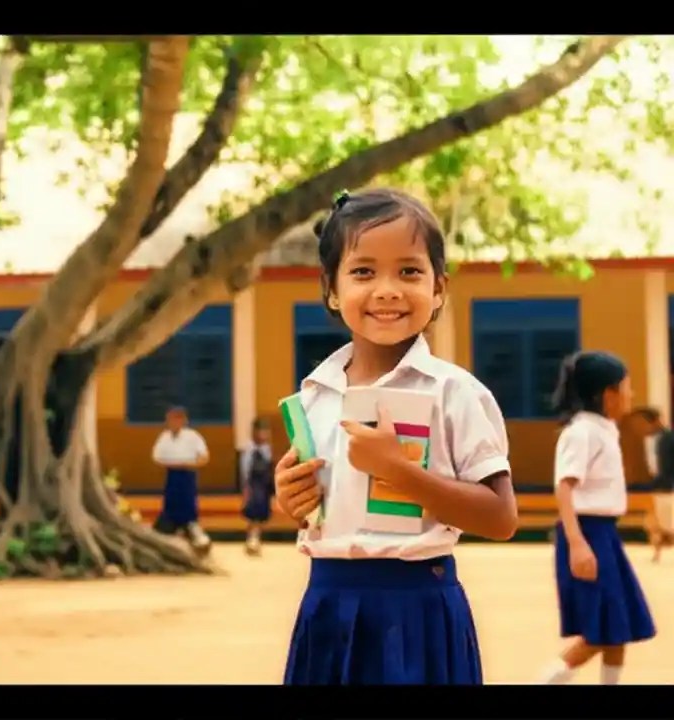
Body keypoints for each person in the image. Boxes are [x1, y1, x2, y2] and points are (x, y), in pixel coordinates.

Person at [273, 188, 518, 685]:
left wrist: (399, 472)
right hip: (328, 606)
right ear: (332, 289)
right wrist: (291, 499)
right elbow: (322, 510)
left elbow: (500, 517)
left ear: (439, 288)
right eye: (363, 272)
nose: (387, 289)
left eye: (409, 271)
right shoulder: (316, 396)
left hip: (417, 612)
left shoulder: (454, 393)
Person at [538, 352, 656, 685]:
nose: (631, 396)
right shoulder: (582, 432)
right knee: (599, 631)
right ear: (608, 394)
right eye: (627, 388)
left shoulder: (604, 429)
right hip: (587, 533)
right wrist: (577, 544)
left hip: (605, 534)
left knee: (619, 628)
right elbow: (564, 487)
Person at [150, 406, 211, 555]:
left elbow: (204, 457)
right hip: (172, 475)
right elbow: (156, 457)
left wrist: (188, 464)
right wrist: (174, 464)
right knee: (170, 505)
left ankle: (194, 535)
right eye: (171, 419)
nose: (174, 422)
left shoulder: (193, 436)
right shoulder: (164, 437)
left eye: (178, 418)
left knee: (188, 505)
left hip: (188, 474)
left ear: (184, 420)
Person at [634, 406, 674, 562]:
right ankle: (657, 552)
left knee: (665, 523)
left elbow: (666, 470)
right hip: (659, 485)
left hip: (666, 487)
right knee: (658, 523)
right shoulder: (653, 440)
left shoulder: (667, 439)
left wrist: (648, 486)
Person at [239, 418, 274, 556]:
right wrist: (245, 487)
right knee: (251, 513)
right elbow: (244, 469)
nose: (264, 435)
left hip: (264, 485)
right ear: (254, 432)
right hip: (252, 485)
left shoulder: (268, 449)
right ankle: (251, 538)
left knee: (261, 513)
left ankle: (256, 538)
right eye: (261, 432)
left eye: (266, 432)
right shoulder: (249, 450)